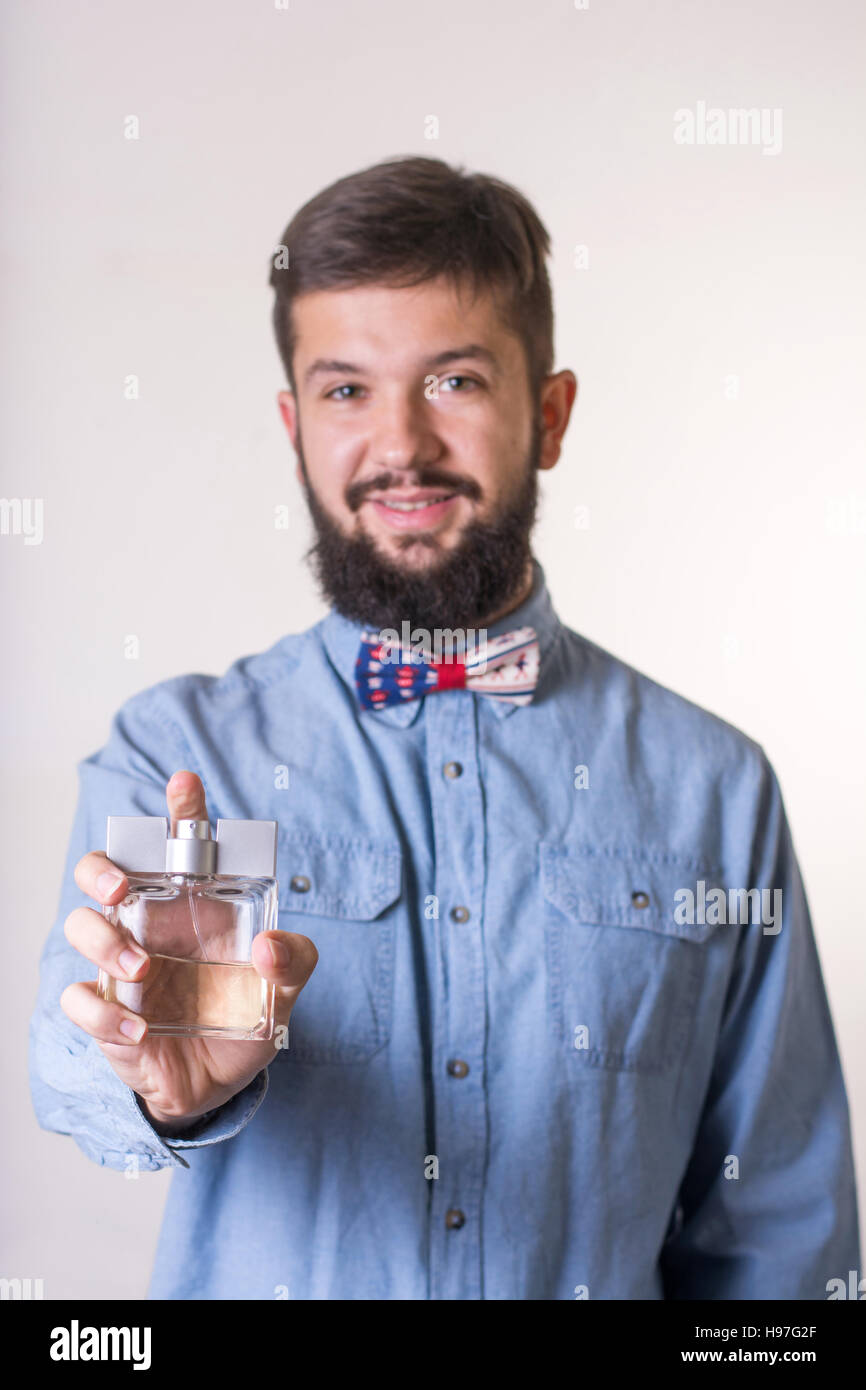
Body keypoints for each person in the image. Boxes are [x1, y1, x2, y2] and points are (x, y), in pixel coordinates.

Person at [29, 155, 859, 1300]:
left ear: (550, 413)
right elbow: (70, 1071)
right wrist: (166, 1085)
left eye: (454, 380)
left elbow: (780, 1237)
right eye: (345, 389)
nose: (401, 446)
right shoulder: (180, 755)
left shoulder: (715, 789)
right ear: (293, 424)